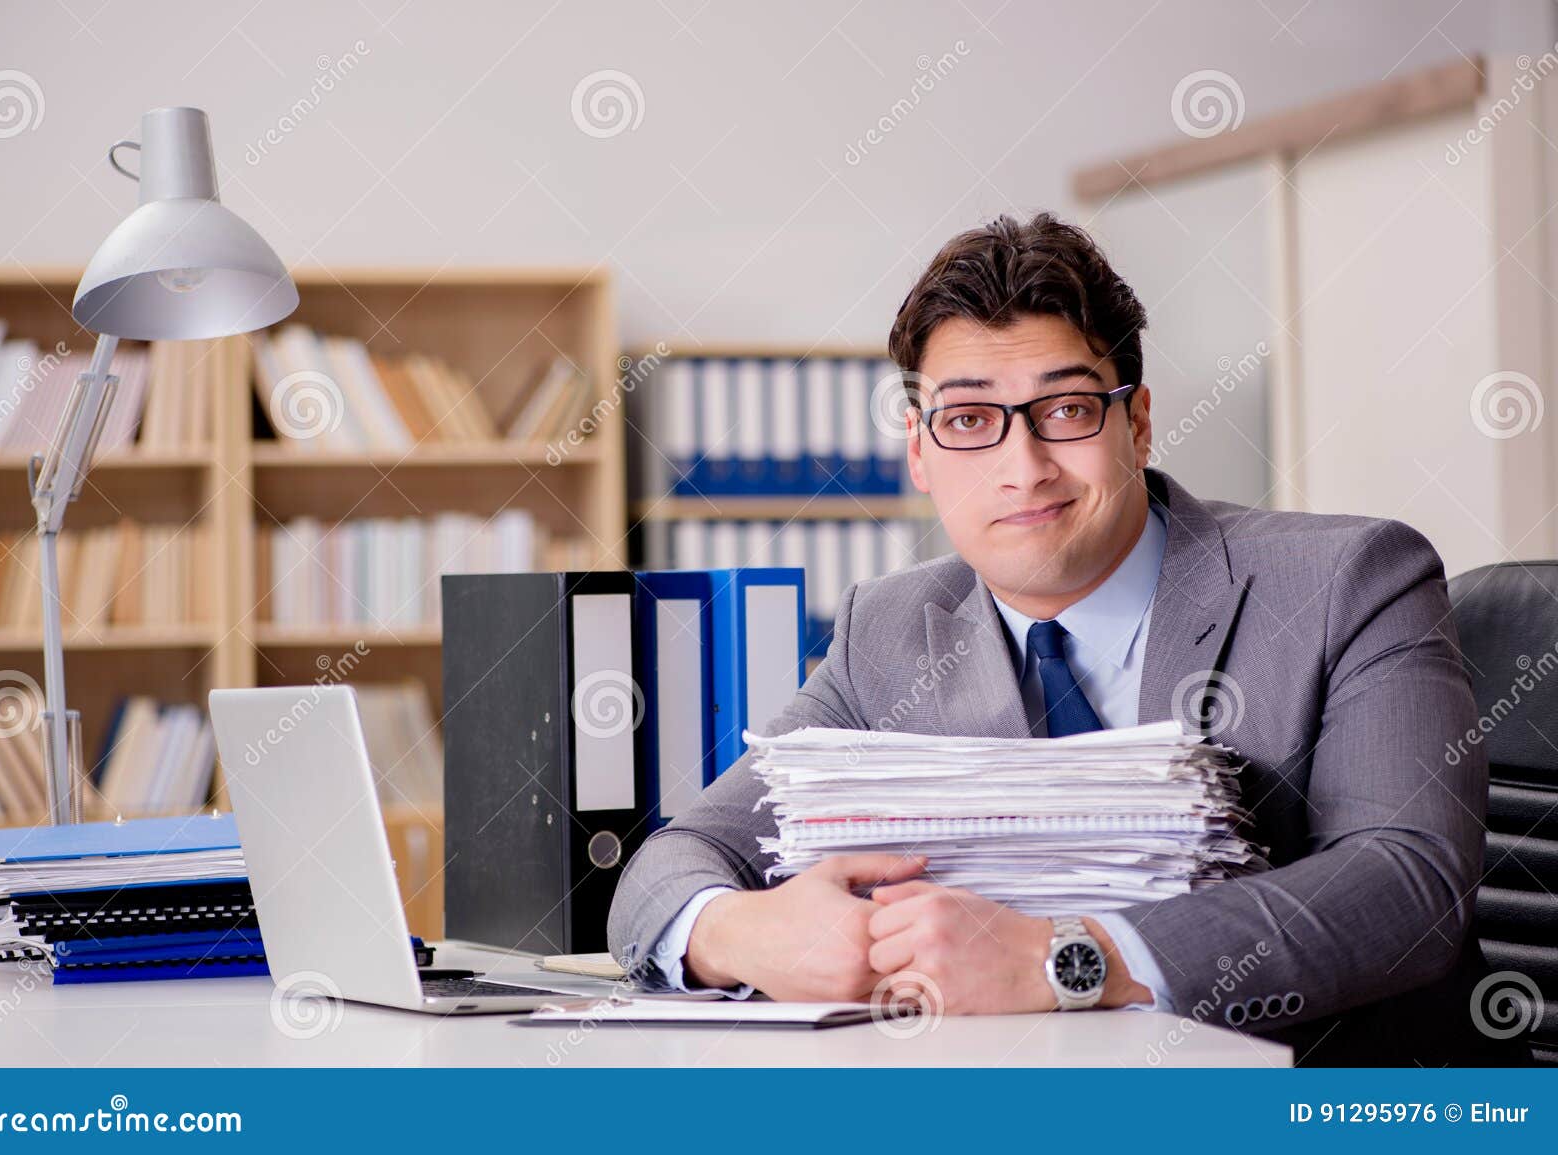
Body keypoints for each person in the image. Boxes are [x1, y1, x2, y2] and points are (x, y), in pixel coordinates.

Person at [608, 212, 1516, 1065]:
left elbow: (1408, 885)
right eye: (969, 420)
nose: (1025, 467)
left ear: (1138, 423)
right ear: (919, 452)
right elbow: (674, 862)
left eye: (1069, 410)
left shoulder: (1347, 580)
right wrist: (738, 931)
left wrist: (1067, 958)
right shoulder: (886, 632)